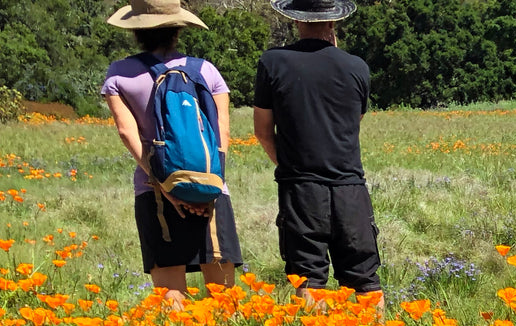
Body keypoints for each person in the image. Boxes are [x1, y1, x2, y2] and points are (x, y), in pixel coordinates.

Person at [101, 0, 241, 308]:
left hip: (154, 192)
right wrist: (209, 186)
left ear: (136, 30)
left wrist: (164, 184)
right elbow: (223, 135)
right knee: (223, 298)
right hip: (212, 190)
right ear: (178, 29)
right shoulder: (206, 70)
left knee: (170, 296)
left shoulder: (119, 73)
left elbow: (127, 133)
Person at [253, 0, 383, 308]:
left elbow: (262, 131)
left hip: (301, 188)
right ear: (333, 22)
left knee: (309, 277)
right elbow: (354, 123)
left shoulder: (273, 62)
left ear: (295, 20)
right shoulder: (357, 66)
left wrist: (288, 163)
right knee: (365, 279)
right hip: (350, 187)